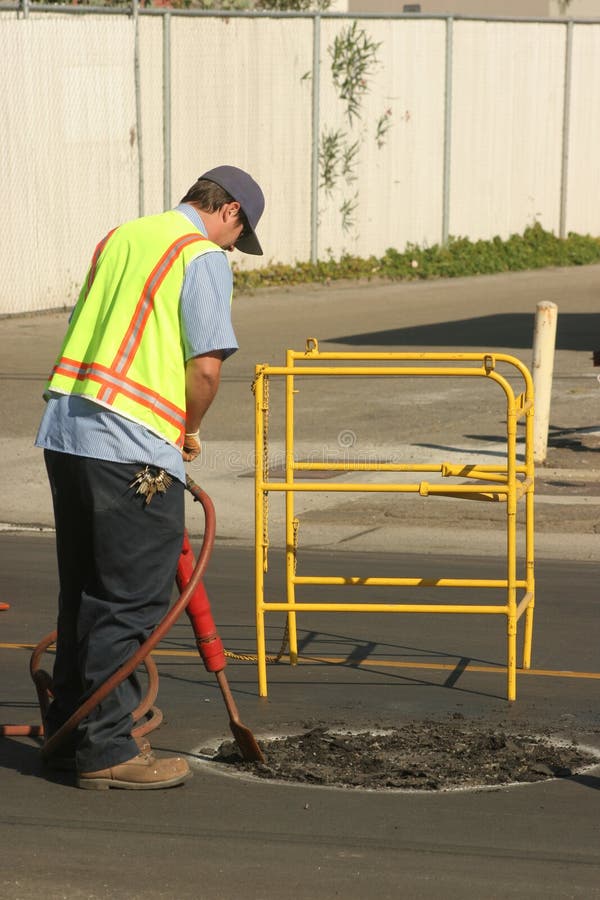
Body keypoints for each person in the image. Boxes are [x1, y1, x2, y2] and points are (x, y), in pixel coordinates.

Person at [35, 165, 265, 790]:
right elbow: (206, 370)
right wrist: (187, 430)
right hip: (130, 442)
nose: (231, 250)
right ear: (230, 211)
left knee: (85, 592)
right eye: (236, 237)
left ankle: (70, 735)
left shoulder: (123, 236)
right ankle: (107, 750)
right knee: (130, 599)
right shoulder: (200, 254)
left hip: (68, 431)